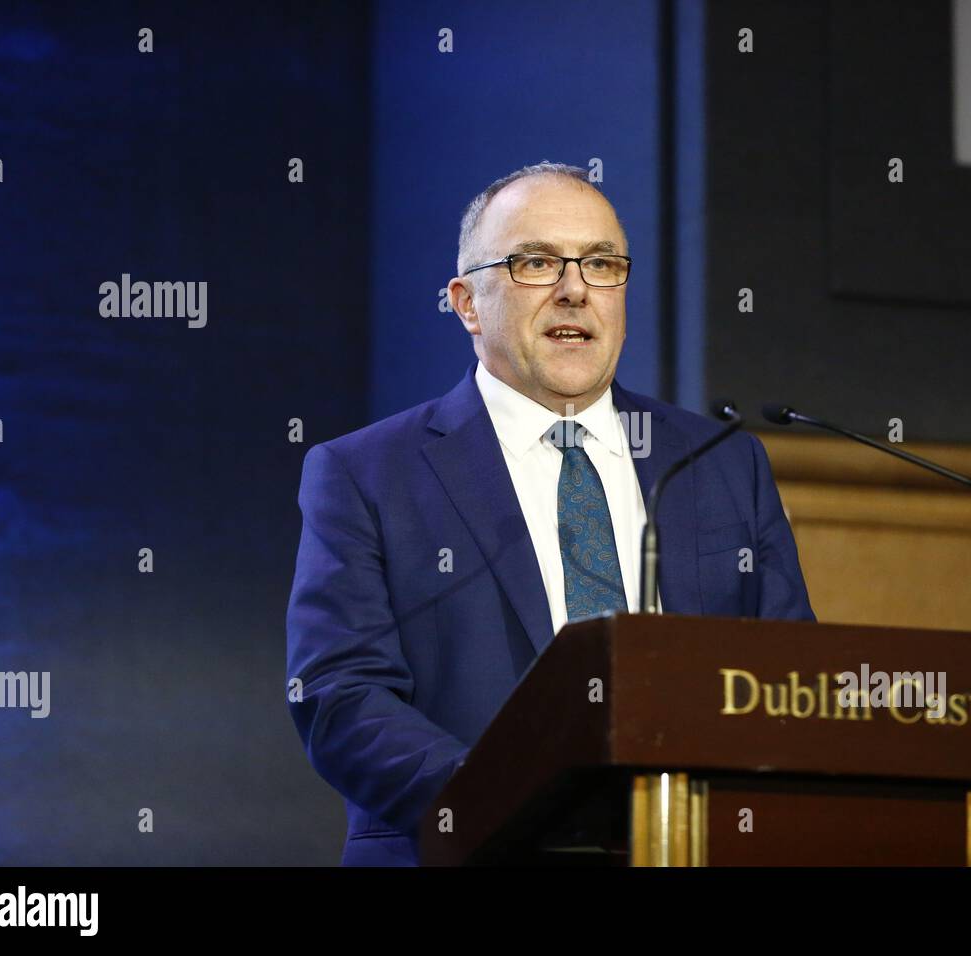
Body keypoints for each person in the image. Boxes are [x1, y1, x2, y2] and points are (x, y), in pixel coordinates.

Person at [286, 161, 815, 866]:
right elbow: (340, 697)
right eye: (536, 262)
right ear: (466, 303)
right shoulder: (367, 473)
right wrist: (516, 801)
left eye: (601, 264)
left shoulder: (720, 461)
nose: (574, 290)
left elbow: (791, 684)